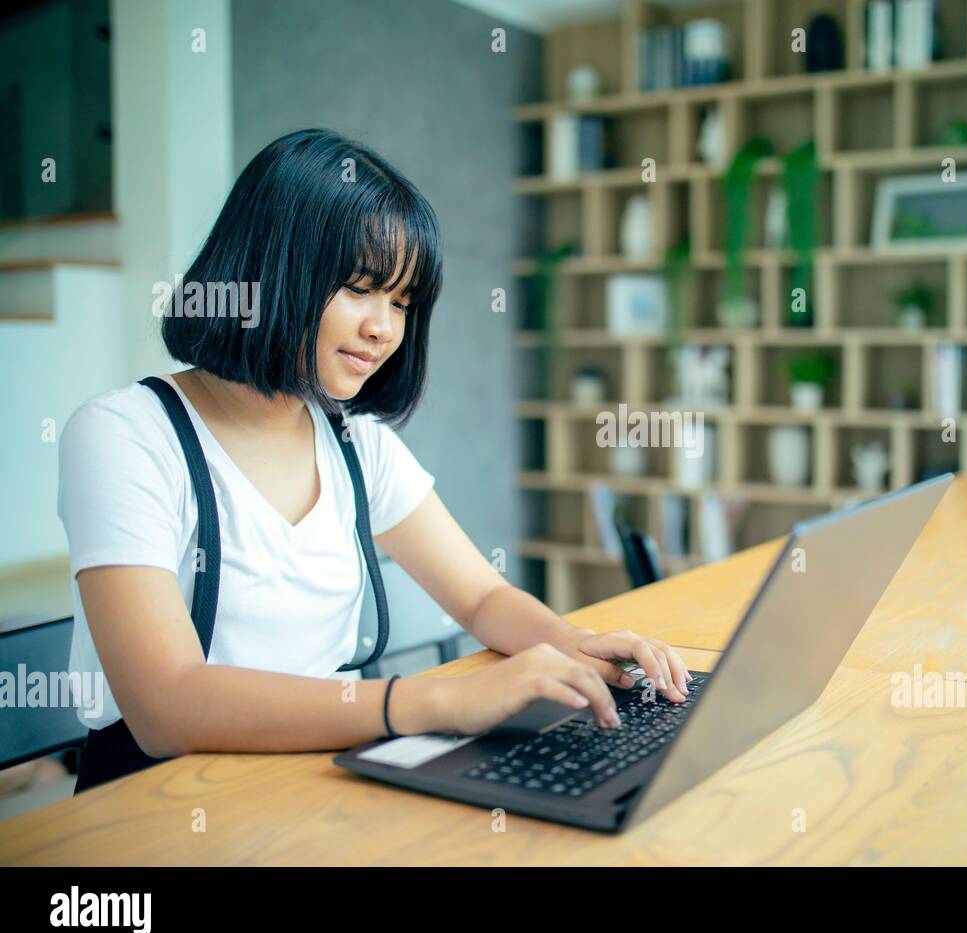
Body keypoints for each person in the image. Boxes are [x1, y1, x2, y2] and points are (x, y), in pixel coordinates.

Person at [59, 129, 689, 790]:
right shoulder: (125, 435)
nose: (384, 329)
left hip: (317, 775)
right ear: (269, 269)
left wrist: (566, 641)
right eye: (360, 288)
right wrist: (427, 704)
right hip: (162, 800)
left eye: (403, 302)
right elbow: (166, 706)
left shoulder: (357, 444)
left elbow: (480, 596)